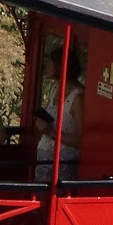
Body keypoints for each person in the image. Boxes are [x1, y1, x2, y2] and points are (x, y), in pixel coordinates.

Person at [35, 46, 83, 182]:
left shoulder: (78, 97)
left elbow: (82, 140)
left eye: (49, 62)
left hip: (63, 166)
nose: (46, 65)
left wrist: (51, 132)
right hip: (44, 160)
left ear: (60, 67)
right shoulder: (55, 88)